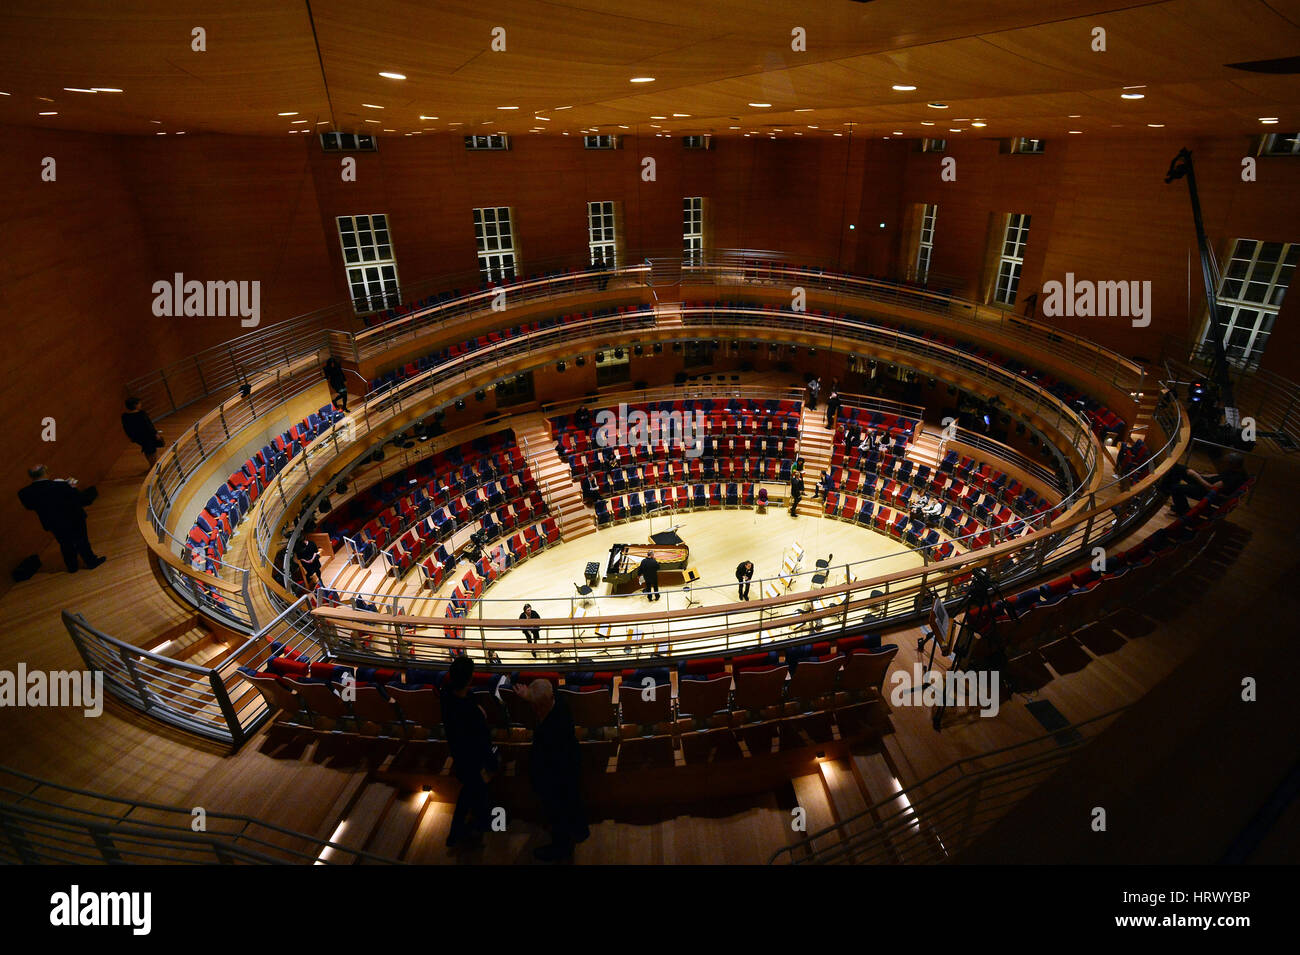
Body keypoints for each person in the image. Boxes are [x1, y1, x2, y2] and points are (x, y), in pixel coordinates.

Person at [515, 678, 589, 861]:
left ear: (537, 707)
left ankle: (561, 850)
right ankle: (580, 831)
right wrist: (530, 696)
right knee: (574, 802)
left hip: (555, 777)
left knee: (558, 814)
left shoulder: (548, 730)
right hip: (571, 764)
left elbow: (542, 758)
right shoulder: (560, 703)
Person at [440, 655, 496, 848]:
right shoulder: (471, 713)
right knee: (477, 792)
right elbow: (482, 740)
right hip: (474, 759)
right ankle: (481, 825)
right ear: (470, 679)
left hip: (458, 753)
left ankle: (455, 833)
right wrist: (491, 764)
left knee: (468, 790)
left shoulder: (446, 697)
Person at [18, 466, 105, 574]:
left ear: (31, 476)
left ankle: (72, 567)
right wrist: (72, 487)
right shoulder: (62, 486)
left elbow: (29, 506)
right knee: (82, 540)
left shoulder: (24, 493)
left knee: (64, 543)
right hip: (74, 518)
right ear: (45, 473)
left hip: (53, 522)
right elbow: (79, 500)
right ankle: (91, 561)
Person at [1163, 452, 1249, 515]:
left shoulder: (1234, 478)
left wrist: (1195, 475)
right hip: (1206, 483)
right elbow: (1219, 475)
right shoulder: (1237, 469)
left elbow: (1211, 488)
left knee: (1177, 488)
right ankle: (1165, 490)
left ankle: (1181, 510)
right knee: (1180, 468)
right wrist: (1202, 475)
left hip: (1208, 492)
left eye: (1225, 462)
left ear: (1231, 464)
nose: (1222, 463)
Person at [121, 397, 163, 467]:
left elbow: (126, 428)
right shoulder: (141, 414)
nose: (140, 405)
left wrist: (131, 437)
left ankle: (152, 464)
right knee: (152, 450)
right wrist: (155, 434)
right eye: (139, 403)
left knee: (147, 450)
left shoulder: (125, 416)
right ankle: (154, 466)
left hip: (138, 437)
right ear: (135, 405)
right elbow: (149, 425)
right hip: (147, 435)